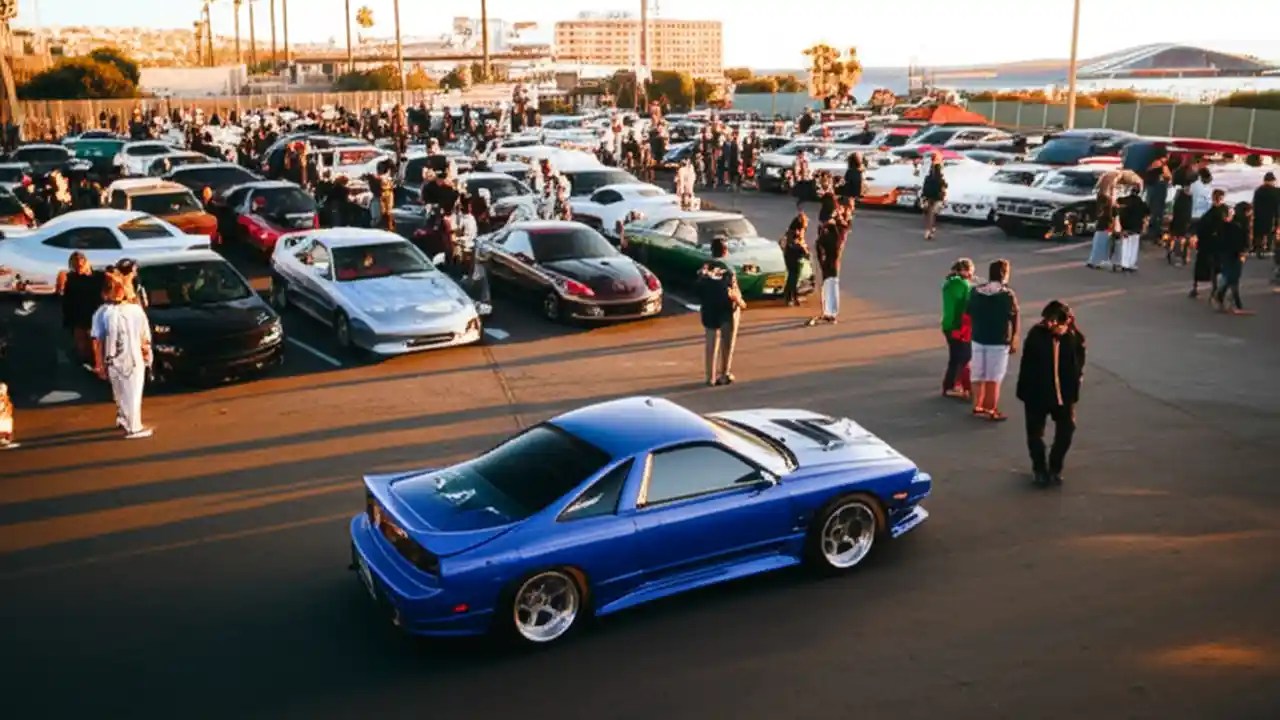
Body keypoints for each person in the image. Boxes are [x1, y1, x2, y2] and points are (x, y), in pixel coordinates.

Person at [1016, 300, 1086, 487]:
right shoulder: (1036, 335)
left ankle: (1055, 467)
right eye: (1048, 320)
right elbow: (1027, 366)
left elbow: (1079, 361)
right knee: (1035, 434)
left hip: (1063, 396)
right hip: (1037, 395)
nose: (1050, 325)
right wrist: (1024, 392)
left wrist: (1076, 382)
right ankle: (1039, 469)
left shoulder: (1073, 337)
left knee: (1067, 430)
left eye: (1055, 321)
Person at [91, 271, 153, 440]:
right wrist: (147, 355)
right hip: (132, 358)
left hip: (112, 359)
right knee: (132, 392)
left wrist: (99, 363)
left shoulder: (101, 312)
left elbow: (97, 340)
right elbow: (144, 337)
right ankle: (134, 427)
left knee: (119, 392)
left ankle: (124, 418)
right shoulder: (135, 311)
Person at [967, 259, 1019, 421]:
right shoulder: (1007, 294)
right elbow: (1014, 316)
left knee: (977, 375)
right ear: (1004, 274)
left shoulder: (976, 291)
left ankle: (977, 405)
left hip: (978, 337)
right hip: (998, 341)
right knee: (993, 377)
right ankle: (990, 409)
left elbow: (969, 311)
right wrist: (1014, 337)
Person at [696, 236, 746, 386]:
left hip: (709, 310)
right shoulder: (728, 271)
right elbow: (734, 292)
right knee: (727, 343)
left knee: (711, 344)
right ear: (725, 251)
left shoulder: (704, 269)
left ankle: (709, 377)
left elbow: (698, 288)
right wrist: (741, 303)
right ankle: (724, 373)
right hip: (727, 310)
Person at [808, 196, 852, 325]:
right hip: (827, 258)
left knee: (831, 283)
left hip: (831, 258)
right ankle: (828, 311)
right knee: (828, 284)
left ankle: (831, 313)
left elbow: (835, 241)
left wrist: (834, 220)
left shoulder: (839, 228)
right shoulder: (832, 226)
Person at [56, 252, 101, 368]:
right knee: (81, 343)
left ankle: (96, 364)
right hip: (78, 315)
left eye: (80, 265)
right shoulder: (71, 278)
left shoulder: (98, 277)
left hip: (94, 314)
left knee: (94, 343)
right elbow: (66, 299)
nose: (78, 268)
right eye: (75, 266)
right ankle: (85, 361)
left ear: (86, 263)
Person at [940, 258, 975, 400]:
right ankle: (952, 386)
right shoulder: (962, 284)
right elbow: (967, 303)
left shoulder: (949, 282)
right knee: (962, 356)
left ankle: (954, 384)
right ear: (965, 271)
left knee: (956, 356)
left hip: (948, 324)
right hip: (958, 325)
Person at [1213, 202, 1251, 314]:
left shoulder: (1230, 224)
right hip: (1235, 254)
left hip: (1226, 253)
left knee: (1230, 277)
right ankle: (1231, 301)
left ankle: (1228, 300)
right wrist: (1243, 252)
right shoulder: (1241, 224)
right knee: (1233, 278)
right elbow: (1243, 240)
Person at [1191, 189, 1229, 299]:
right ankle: (1215, 288)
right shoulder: (1224, 211)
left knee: (1207, 266)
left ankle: (1199, 287)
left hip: (1208, 244)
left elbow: (1201, 227)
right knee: (1217, 266)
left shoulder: (1210, 213)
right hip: (1218, 243)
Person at [1115, 184, 1149, 273]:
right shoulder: (1141, 203)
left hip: (1126, 227)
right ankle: (1131, 264)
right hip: (1137, 227)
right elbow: (1147, 213)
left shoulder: (1124, 201)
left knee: (1126, 245)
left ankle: (1124, 263)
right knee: (1134, 246)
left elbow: (1118, 204)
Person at [781, 205, 810, 306]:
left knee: (793, 276)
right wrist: (805, 251)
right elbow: (798, 244)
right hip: (793, 256)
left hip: (789, 255)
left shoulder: (791, 231)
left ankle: (790, 296)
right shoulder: (796, 233)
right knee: (793, 276)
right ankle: (790, 297)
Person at [1087, 185, 1120, 268]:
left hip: (1101, 226)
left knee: (1098, 244)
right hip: (1106, 226)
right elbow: (1113, 216)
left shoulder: (1102, 202)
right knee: (1103, 244)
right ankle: (1099, 261)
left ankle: (1094, 261)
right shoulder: (1109, 203)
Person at [1166, 181, 1193, 266]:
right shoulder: (1183, 196)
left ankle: (1179, 255)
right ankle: (1176, 255)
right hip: (1179, 219)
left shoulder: (1186, 196)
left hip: (1184, 220)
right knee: (1179, 238)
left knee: (1182, 239)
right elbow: (1174, 206)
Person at [1252, 171, 1278, 259]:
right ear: (1272, 181)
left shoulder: (1258, 190)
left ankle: (1259, 248)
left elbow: (1254, 204)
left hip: (1259, 216)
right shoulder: (1276, 191)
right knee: (1270, 233)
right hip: (1272, 216)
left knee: (1259, 233)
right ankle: (1268, 248)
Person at [920, 157, 947, 241]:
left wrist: (923, 197)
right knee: (933, 215)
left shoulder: (928, 178)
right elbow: (943, 189)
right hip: (937, 198)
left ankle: (929, 230)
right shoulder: (941, 179)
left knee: (928, 214)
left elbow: (924, 188)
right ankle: (931, 229)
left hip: (928, 197)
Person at [0, 382, 14, 449]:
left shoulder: (5, 399)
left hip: (5, 417)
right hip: (3, 417)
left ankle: (5, 438)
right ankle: (3, 438)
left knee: (7, 424)